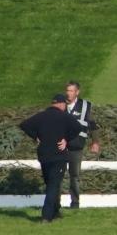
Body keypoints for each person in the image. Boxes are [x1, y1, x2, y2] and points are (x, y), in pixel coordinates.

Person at [19, 93, 84, 223]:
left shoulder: (41, 116)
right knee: (53, 186)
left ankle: (55, 211)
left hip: (43, 156)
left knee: (50, 184)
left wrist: (35, 136)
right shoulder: (64, 116)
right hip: (58, 156)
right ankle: (46, 216)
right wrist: (66, 139)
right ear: (61, 104)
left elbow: (24, 125)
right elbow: (78, 128)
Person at [62, 80, 100, 209]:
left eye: (71, 91)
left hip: (76, 146)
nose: (68, 94)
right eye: (67, 90)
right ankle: (55, 202)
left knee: (74, 175)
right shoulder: (60, 105)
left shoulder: (85, 106)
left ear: (77, 92)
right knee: (57, 175)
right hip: (60, 147)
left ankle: (75, 202)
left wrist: (95, 142)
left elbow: (93, 125)